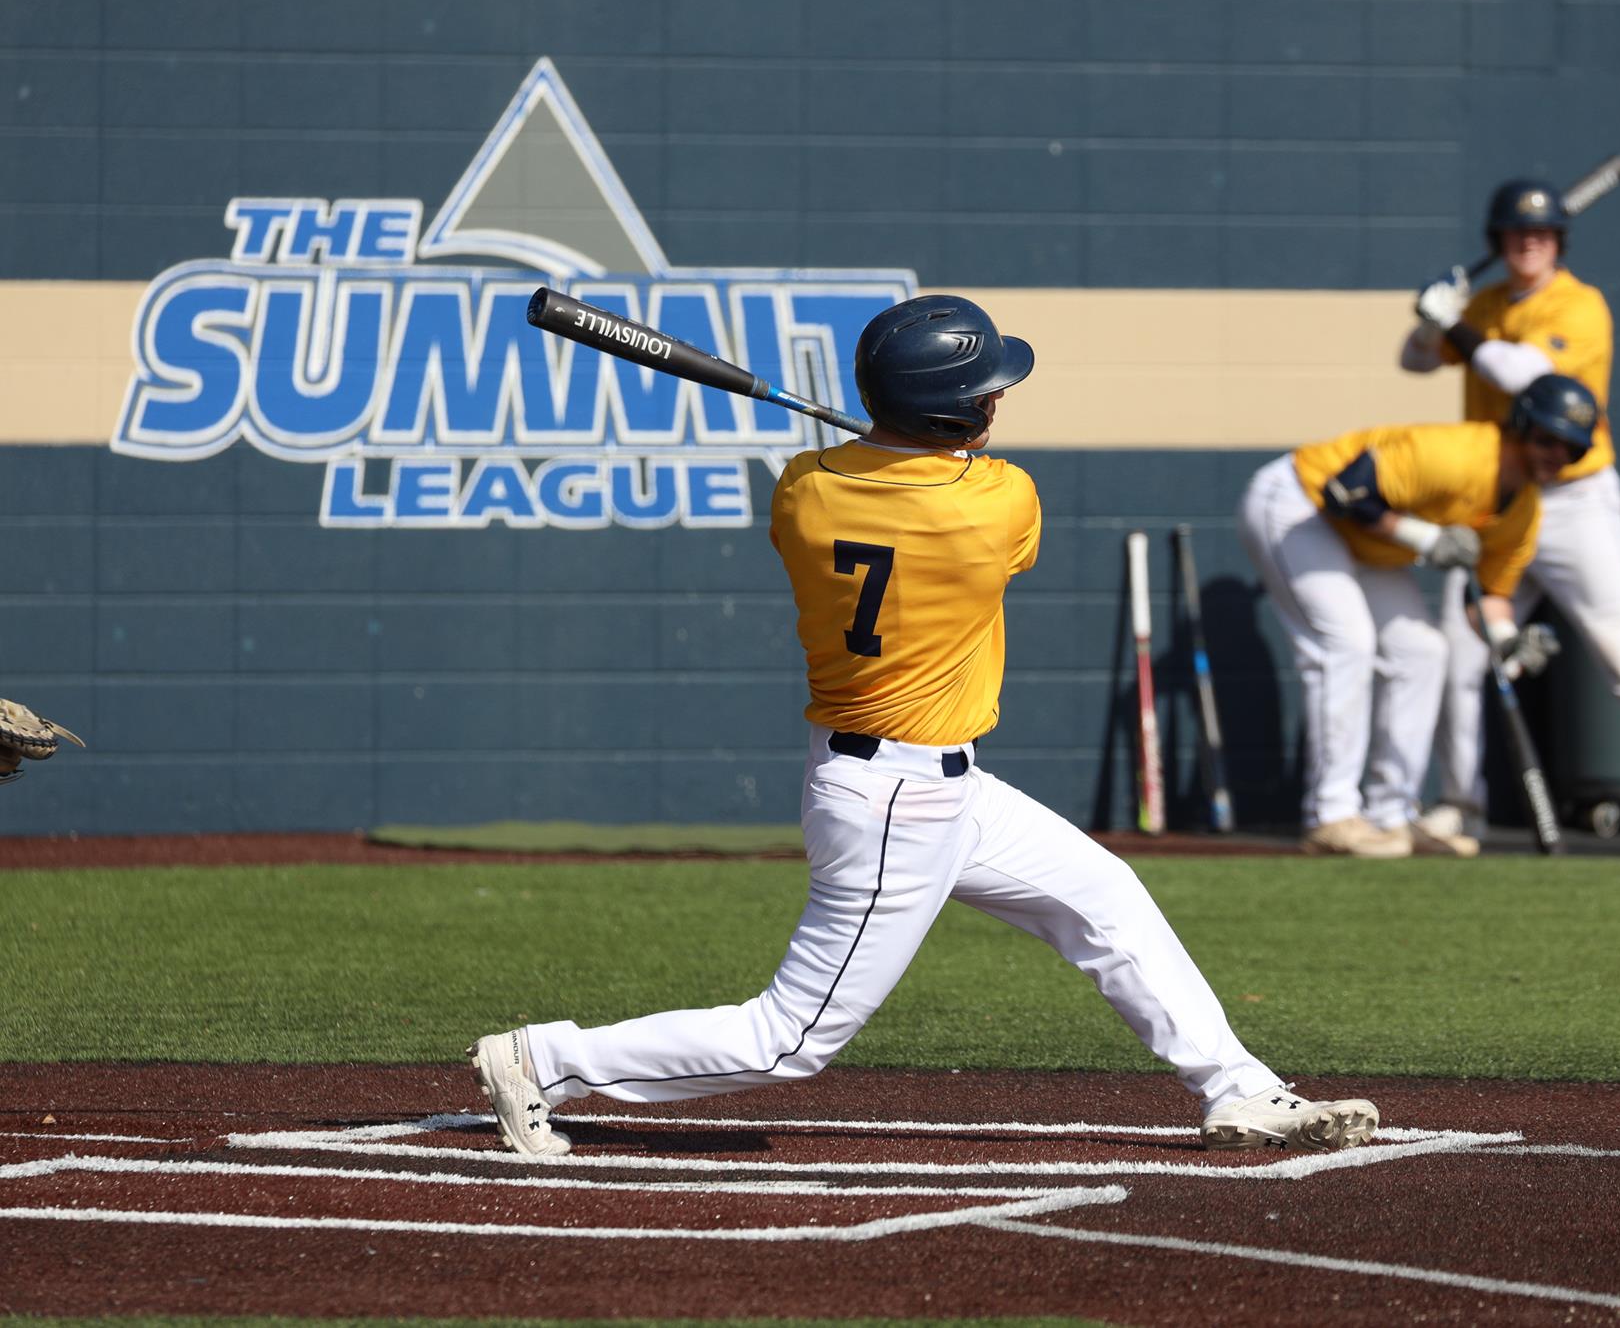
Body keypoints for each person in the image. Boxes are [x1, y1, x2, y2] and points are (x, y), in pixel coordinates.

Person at [468, 294, 1379, 1159]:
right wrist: (916, 451)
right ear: (951, 413)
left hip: (925, 782)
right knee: (791, 1038)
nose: (996, 403)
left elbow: (869, 477)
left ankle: (1237, 1085)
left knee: (1104, 896)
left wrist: (893, 447)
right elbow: (965, 495)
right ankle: (543, 1059)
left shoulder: (803, 488)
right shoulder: (998, 502)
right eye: (985, 393)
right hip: (894, 802)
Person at [1401, 178, 1620, 862]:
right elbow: (1413, 360)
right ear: (1497, 240)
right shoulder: (1484, 304)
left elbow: (1527, 378)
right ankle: (1462, 805)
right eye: (1517, 233)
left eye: (1542, 233)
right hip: (1497, 498)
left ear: (1558, 242)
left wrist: (1454, 325)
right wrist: (1432, 318)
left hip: (1575, 501)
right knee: (1460, 651)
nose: (1530, 243)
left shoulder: (1580, 305)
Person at [1236, 374, 1596, 858]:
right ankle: (1331, 815)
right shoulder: (1458, 455)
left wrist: (1507, 639)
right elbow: (1346, 492)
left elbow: (1488, 595)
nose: (1557, 454)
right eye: (1548, 438)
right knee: (1347, 642)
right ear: (1521, 424)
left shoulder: (1524, 511)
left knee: (1423, 651)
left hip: (1364, 539)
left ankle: (1393, 814)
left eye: (1572, 448)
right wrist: (1426, 538)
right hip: (1299, 503)